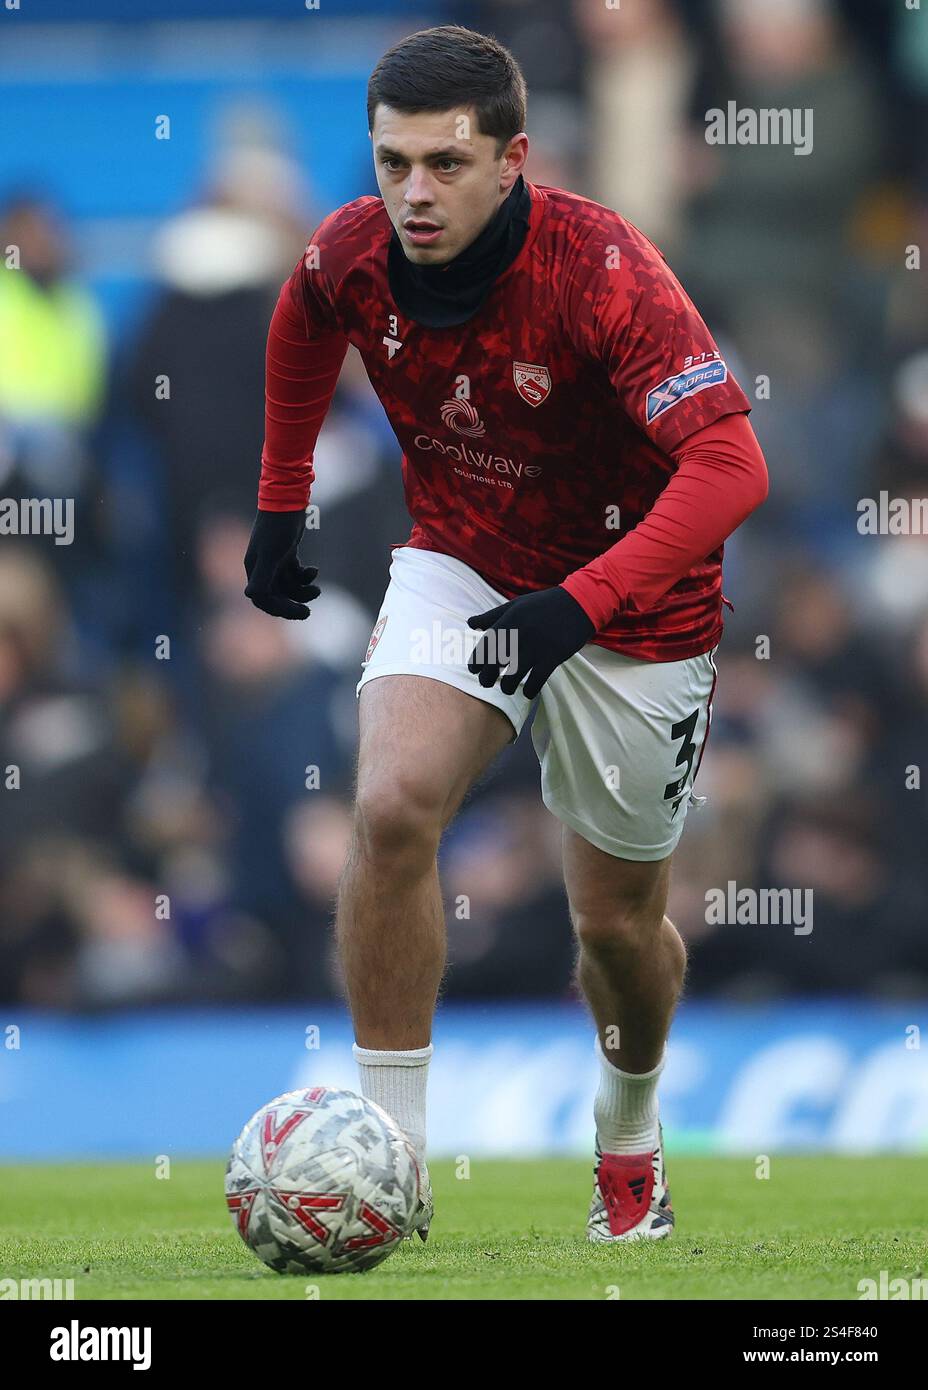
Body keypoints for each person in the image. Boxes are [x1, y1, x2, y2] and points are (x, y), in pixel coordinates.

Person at [244, 25, 768, 1242]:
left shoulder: (604, 270)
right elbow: (302, 320)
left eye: (443, 164)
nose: (412, 194)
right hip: (465, 563)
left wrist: (577, 607)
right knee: (388, 810)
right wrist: (278, 505)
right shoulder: (352, 250)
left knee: (615, 929)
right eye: (391, 163)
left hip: (637, 607)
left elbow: (732, 466)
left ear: (512, 158)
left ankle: (629, 1141)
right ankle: (391, 1160)